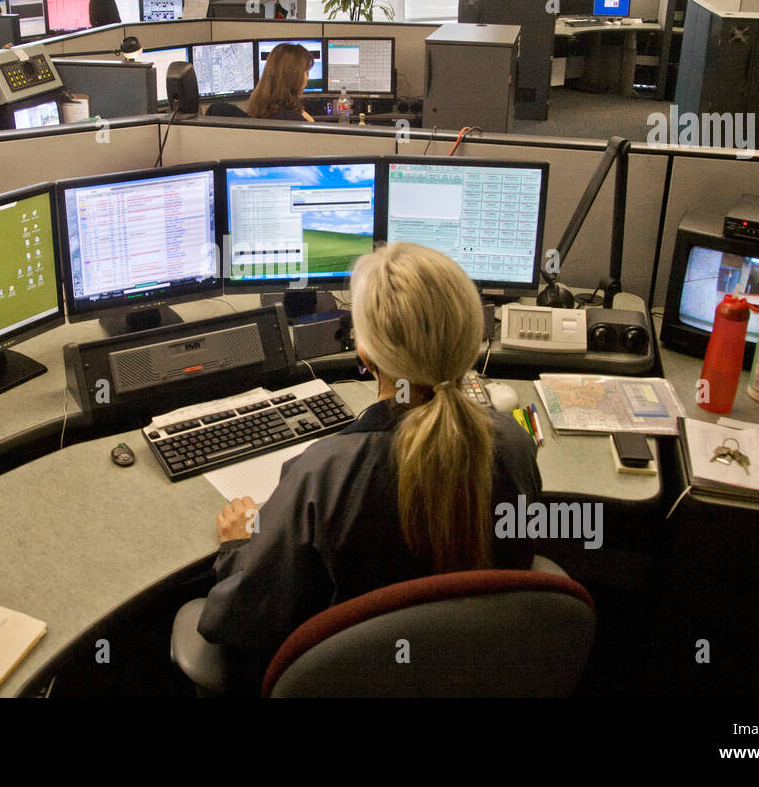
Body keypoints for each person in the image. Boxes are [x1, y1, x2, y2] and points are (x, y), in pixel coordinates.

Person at [196, 242, 542, 689]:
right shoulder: (514, 442)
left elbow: (235, 619)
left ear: (364, 355)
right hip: (472, 677)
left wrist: (238, 546)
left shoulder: (325, 472)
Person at [246, 42, 314, 122]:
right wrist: (311, 123)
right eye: (306, 73)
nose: (307, 78)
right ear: (294, 77)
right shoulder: (292, 118)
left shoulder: (258, 106)